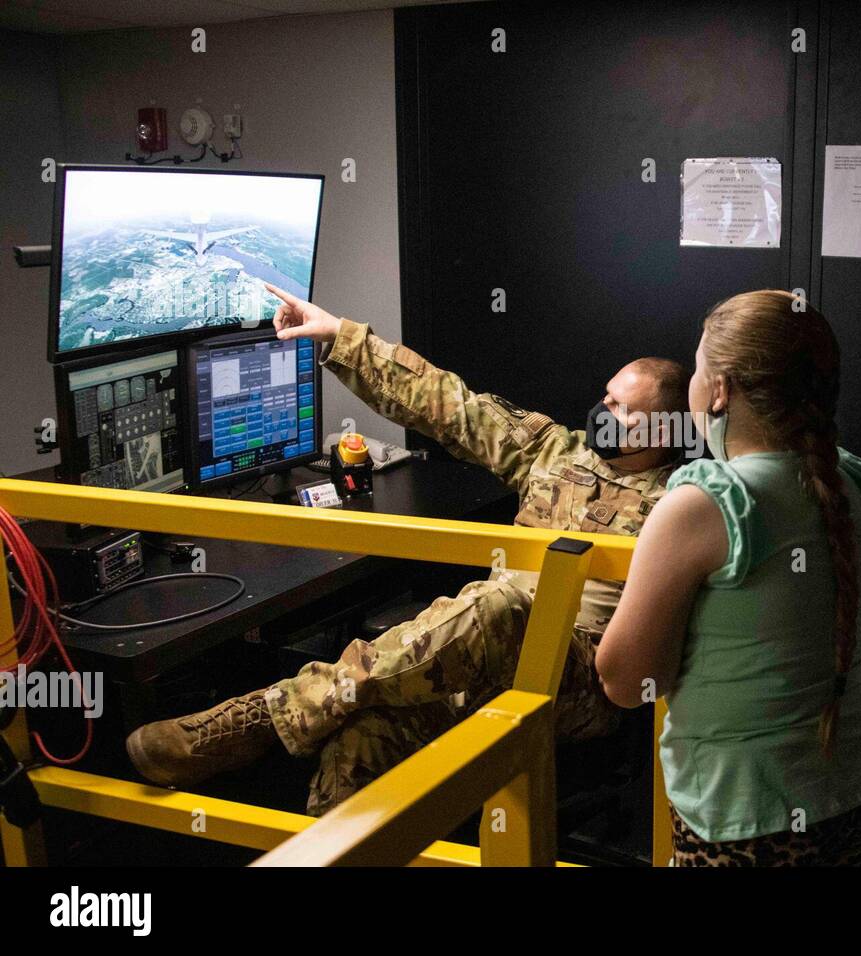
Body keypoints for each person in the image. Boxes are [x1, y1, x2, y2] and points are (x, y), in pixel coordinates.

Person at [127, 283, 690, 815]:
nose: (601, 412)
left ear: (663, 431)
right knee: (358, 739)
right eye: (606, 396)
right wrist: (338, 337)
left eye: (620, 409)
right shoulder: (553, 453)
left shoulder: (682, 504)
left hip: (579, 681)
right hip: (475, 656)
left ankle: (261, 719)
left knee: (500, 606)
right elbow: (446, 403)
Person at [596, 290, 861, 866]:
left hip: (745, 813)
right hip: (856, 785)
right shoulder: (854, 481)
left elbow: (625, 681)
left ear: (719, 388)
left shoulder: (702, 502)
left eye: (699, 363)